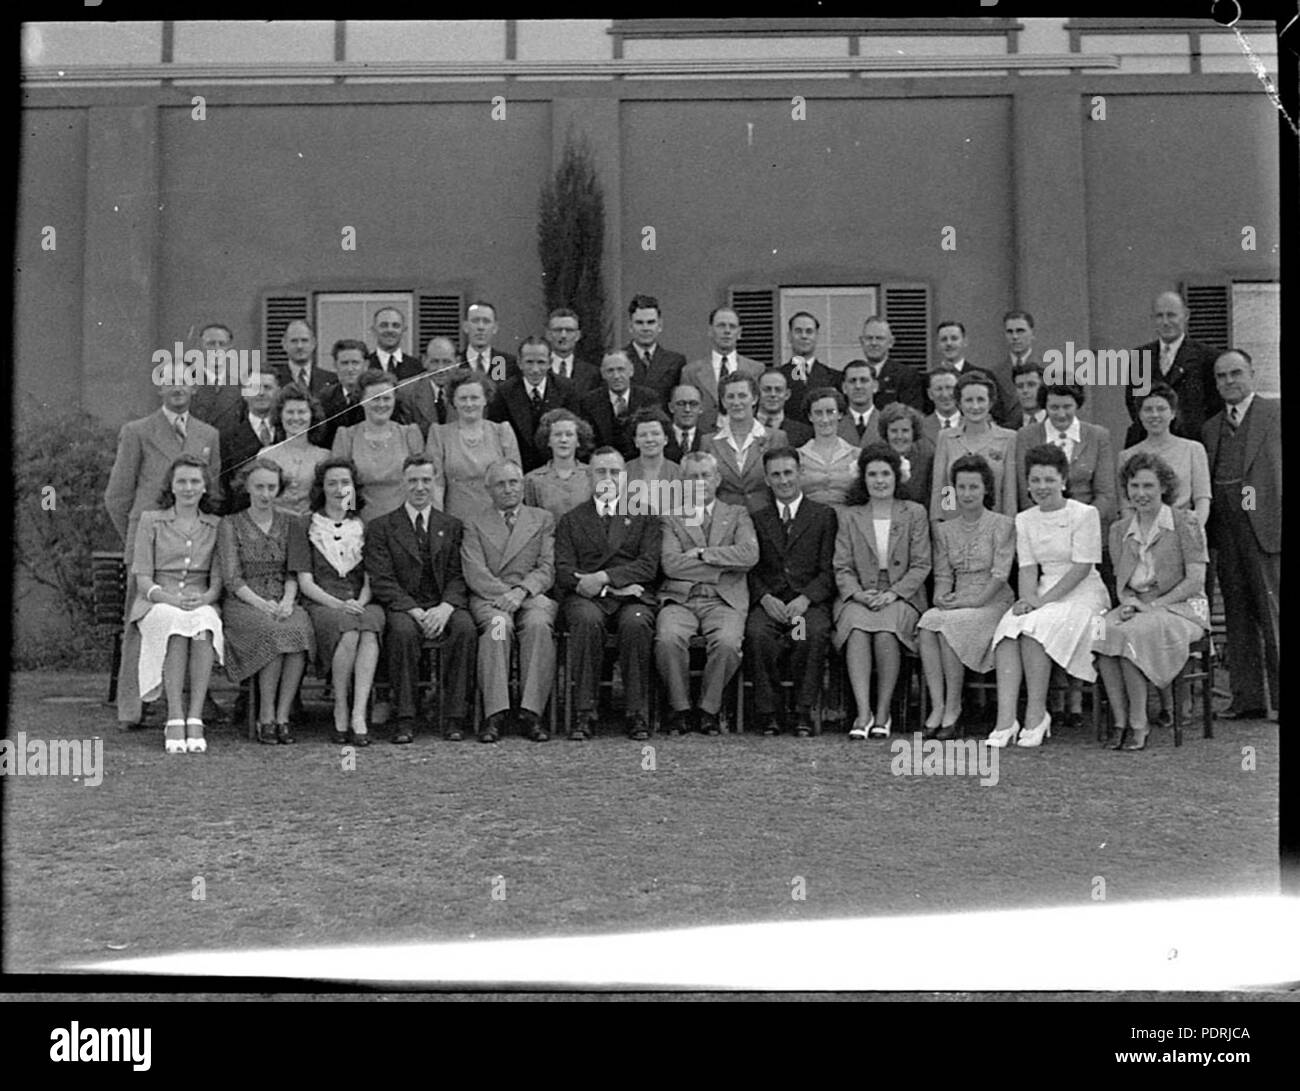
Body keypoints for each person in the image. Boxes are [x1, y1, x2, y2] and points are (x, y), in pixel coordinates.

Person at [104, 375, 223, 727]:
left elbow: (212, 489)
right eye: (170, 382)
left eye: (184, 383)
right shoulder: (138, 431)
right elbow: (118, 495)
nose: (177, 388)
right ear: (159, 388)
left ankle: (194, 702)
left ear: (194, 389)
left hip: (192, 541)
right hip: (149, 540)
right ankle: (132, 707)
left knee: (193, 622)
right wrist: (137, 535)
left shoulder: (208, 435)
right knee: (138, 625)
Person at [987, 444, 1111, 748]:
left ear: (1063, 481)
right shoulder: (1024, 519)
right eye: (1036, 480)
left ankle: (1036, 714)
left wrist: (1041, 604)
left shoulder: (1085, 514)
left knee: (1034, 629)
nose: (1042, 487)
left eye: (1049, 480)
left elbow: (1082, 568)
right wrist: (1029, 599)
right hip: (1043, 592)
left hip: (1084, 595)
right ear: (1028, 483)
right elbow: (1028, 568)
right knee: (1007, 629)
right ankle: (1005, 721)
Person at [1094, 452, 1210, 750]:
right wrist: (1130, 602)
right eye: (1134, 486)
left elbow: (1195, 581)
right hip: (1139, 605)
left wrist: (1156, 605)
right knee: (1102, 631)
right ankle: (1119, 722)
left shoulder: (1186, 522)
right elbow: (1122, 583)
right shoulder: (1119, 530)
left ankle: (1138, 722)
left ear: (1163, 488)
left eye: (1148, 486)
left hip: (1183, 607)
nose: (1140, 494)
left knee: (1131, 634)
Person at [365, 456, 477, 744]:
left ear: (435, 482)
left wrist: (445, 607)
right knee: (401, 632)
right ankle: (405, 717)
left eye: (426, 480)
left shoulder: (452, 526)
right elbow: (382, 579)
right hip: (405, 605)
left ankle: (454, 716)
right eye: (413, 481)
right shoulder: (382, 527)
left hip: (444, 604)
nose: (419, 487)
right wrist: (414, 610)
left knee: (465, 628)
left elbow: (459, 573)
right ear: (403, 483)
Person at [554, 448, 661, 740]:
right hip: (587, 597)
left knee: (637, 623)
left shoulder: (645, 515)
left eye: (615, 472)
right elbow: (563, 569)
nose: (608, 478)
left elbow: (649, 565)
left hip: (632, 597)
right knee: (586, 621)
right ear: (589, 476)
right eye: (601, 471)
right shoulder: (572, 520)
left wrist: (606, 577)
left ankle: (636, 713)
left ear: (625, 477)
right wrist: (606, 587)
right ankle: (584, 712)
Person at [656, 452, 758, 736]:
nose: (699, 482)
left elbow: (749, 555)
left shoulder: (737, 513)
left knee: (726, 643)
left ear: (717, 479)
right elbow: (671, 563)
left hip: (724, 600)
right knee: (667, 639)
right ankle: (680, 708)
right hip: (681, 599)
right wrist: (722, 568)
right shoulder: (671, 517)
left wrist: (703, 553)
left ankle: (708, 709)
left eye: (705, 476)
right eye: (692, 477)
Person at [833, 444, 931, 739]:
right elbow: (842, 566)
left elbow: (921, 563)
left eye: (885, 474)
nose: (879, 480)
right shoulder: (850, 516)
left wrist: (894, 594)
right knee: (857, 629)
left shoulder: (914, 512)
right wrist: (858, 594)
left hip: (902, 595)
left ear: (896, 476)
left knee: (887, 631)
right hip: (860, 594)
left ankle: (884, 711)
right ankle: (863, 713)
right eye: (872, 474)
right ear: (862, 478)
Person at [1202, 350, 1280, 721]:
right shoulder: (1211, 426)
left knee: (1273, 615)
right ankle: (1246, 699)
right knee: (1237, 616)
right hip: (1227, 532)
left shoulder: (1275, 414)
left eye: (1235, 373)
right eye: (1221, 376)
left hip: (1266, 529)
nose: (1229, 381)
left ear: (1252, 373)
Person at [129, 455, 225, 753]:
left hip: (199, 601)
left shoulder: (215, 525)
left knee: (203, 626)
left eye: (195, 481)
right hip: (157, 600)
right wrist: (169, 598)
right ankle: (174, 715)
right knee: (175, 623)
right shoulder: (152, 520)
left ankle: (195, 714)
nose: (188, 487)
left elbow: (218, 581)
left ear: (205, 487)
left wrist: (205, 598)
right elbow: (143, 578)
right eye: (181, 481)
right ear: (171, 486)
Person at [917, 454, 1015, 739]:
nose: (967, 493)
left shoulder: (1002, 524)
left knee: (950, 626)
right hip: (959, 598)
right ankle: (937, 706)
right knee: (928, 622)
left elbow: (1000, 574)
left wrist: (972, 601)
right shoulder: (945, 529)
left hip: (992, 601)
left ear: (986, 489)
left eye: (974, 487)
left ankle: (954, 707)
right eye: (962, 487)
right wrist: (940, 597)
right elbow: (944, 573)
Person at [217, 458, 315, 743]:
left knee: (298, 629)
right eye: (259, 487)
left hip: (282, 598)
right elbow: (232, 579)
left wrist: (287, 600)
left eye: (271, 487)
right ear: (247, 487)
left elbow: (293, 571)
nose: (265, 494)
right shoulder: (230, 524)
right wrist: (261, 604)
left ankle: (283, 715)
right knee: (272, 633)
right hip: (245, 602)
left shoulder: (291, 523)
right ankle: (265, 713)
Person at [289, 458, 385, 745]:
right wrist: (339, 604)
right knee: (349, 629)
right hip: (322, 603)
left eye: (345, 482)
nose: (338, 488)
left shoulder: (364, 527)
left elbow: (370, 580)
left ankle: (358, 712)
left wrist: (359, 601)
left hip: (360, 600)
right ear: (322, 488)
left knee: (369, 625)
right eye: (331, 483)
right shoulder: (304, 525)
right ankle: (340, 706)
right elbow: (305, 582)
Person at [461, 460, 558, 743]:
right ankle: (495, 713)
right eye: (500, 484)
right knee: (498, 626)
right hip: (491, 597)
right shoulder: (474, 521)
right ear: (488, 489)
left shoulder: (542, 519)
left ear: (523, 485)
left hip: (529, 595)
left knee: (539, 625)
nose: (508, 489)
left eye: (513, 482)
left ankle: (532, 712)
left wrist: (521, 592)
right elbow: (474, 569)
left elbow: (546, 567)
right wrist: (504, 595)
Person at [744, 448, 836, 737]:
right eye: (776, 475)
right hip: (771, 604)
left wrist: (806, 598)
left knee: (805, 635)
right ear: (768, 481)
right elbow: (751, 568)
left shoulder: (822, 516)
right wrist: (764, 598)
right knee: (759, 636)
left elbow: (830, 568)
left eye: (788, 472)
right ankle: (769, 712)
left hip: (804, 605)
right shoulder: (758, 518)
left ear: (800, 474)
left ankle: (802, 711)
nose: (783, 480)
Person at [1124, 291, 1222, 448]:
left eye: (1171, 315)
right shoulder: (1139, 356)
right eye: (1159, 316)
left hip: (1193, 444)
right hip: (1148, 443)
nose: (1165, 322)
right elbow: (1133, 403)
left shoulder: (1208, 357)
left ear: (1186, 315)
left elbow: (1215, 407)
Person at [1014, 383, 1116, 526]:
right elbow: (1025, 492)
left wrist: (1082, 523)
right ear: (1045, 407)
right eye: (1054, 407)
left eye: (1067, 407)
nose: (1061, 414)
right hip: (1041, 525)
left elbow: (1105, 493)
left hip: (1087, 524)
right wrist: (1050, 524)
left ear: (1077, 405)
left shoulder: (1098, 436)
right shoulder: (1026, 436)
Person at [426, 369, 521, 522]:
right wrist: (438, 524)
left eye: (474, 398)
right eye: (463, 398)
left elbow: (515, 483)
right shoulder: (439, 434)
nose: (469, 404)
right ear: (454, 401)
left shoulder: (502, 432)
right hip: (454, 519)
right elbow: (436, 485)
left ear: (485, 400)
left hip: (496, 520)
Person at [332, 369, 426, 522]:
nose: (381, 404)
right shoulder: (347, 436)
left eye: (387, 398)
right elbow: (342, 486)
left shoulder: (409, 434)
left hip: (404, 522)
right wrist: (349, 523)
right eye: (375, 399)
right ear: (362, 400)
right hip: (361, 522)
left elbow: (421, 482)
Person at [1117, 384, 1211, 528]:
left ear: (1173, 413)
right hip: (1143, 533)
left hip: (1184, 527)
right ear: (1140, 415)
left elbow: (1202, 498)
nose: (1155, 415)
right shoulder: (1127, 456)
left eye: (1161, 409)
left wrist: (1195, 529)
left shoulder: (1193, 449)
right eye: (1148, 410)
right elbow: (1127, 506)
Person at [931, 372, 1018, 521]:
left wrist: (1007, 529)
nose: (975, 406)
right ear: (959, 403)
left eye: (981, 400)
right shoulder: (946, 437)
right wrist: (945, 524)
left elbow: (1009, 493)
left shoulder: (1008, 438)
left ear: (990, 403)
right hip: (954, 528)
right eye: (969, 400)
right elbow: (944, 488)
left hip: (994, 527)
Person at [701, 372, 787, 513]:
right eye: (730, 397)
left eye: (742, 396)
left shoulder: (777, 438)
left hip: (766, 518)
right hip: (724, 520)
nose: (736, 402)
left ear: (754, 399)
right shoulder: (708, 442)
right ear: (723, 401)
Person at [488, 335, 577, 472]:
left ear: (550, 362)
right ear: (519, 362)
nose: (535, 369)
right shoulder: (504, 392)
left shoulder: (566, 389)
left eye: (541, 362)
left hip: (556, 470)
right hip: (518, 470)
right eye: (529, 362)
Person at [679, 306, 763, 433]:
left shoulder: (756, 370)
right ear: (710, 331)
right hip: (704, 439)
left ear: (739, 333)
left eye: (732, 326)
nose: (727, 331)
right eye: (721, 326)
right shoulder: (691, 372)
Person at [932, 319, 1016, 427]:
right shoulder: (928, 379)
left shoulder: (984, 376)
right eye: (944, 339)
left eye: (954, 338)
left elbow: (998, 413)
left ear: (965, 341)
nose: (949, 343)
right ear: (937, 345)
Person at [262, 382, 329, 518]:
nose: (296, 418)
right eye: (290, 412)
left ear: (312, 416)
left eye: (302, 412)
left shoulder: (325, 456)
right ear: (280, 416)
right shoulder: (266, 455)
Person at [219, 369, 281, 513]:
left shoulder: (289, 432)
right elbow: (224, 487)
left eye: (267, 387)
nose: (261, 393)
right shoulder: (227, 438)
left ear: (278, 392)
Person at [578, 349, 658, 457]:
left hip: (638, 464)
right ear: (603, 374)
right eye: (610, 371)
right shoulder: (589, 402)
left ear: (631, 371)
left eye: (621, 370)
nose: (616, 376)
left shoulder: (648, 398)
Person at [522, 408, 594, 519]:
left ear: (578, 441)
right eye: (557, 435)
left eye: (569, 435)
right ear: (548, 441)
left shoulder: (591, 474)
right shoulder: (532, 480)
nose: (563, 440)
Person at [797, 387, 859, 507]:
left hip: (847, 519)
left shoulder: (856, 454)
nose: (825, 419)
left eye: (830, 412)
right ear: (810, 416)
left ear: (840, 414)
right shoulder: (798, 456)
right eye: (818, 413)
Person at [776, 311, 839, 424]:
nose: (804, 336)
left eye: (809, 331)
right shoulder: (778, 377)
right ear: (789, 336)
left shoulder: (834, 377)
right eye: (798, 331)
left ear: (816, 336)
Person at [624, 293, 687, 404]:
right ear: (630, 326)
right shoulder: (618, 360)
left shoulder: (676, 361)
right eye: (639, 323)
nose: (645, 328)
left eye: (650, 322)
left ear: (660, 325)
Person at [188, 322, 247, 434]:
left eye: (222, 344)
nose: (216, 349)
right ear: (200, 347)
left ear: (230, 349)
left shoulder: (240, 387)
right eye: (210, 344)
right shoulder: (187, 384)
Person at [623, 407, 683, 512]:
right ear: (635, 441)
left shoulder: (680, 473)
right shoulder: (624, 472)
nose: (649, 439)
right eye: (643, 435)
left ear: (666, 439)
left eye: (655, 434)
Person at [860, 316, 924, 411]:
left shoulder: (907, 376)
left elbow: (912, 415)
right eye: (869, 338)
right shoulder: (853, 375)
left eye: (879, 338)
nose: (873, 343)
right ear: (861, 342)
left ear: (891, 342)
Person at [878, 401, 934, 507]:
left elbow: (941, 492)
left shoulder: (928, 456)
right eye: (894, 431)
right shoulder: (876, 456)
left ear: (914, 432)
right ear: (886, 433)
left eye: (905, 431)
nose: (899, 436)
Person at [317, 339, 371, 450]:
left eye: (355, 363)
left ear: (365, 365)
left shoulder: (376, 396)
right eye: (344, 363)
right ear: (335, 366)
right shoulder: (324, 398)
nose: (350, 369)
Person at [398, 336, 457, 435]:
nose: (440, 369)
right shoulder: (405, 392)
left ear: (457, 362)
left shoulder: (468, 389)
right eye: (434, 362)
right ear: (424, 361)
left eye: (447, 362)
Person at [459, 299, 517, 381]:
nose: (480, 327)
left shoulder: (510, 364)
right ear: (465, 326)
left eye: (486, 321)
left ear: (495, 327)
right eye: (475, 321)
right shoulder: (455, 363)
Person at [546, 308, 600, 395]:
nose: (563, 335)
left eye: (569, 330)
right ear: (548, 335)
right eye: (558, 330)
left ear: (578, 335)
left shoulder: (592, 373)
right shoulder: (540, 369)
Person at [274, 319, 331, 398]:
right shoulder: (274, 379)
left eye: (304, 340)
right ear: (284, 344)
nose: (299, 346)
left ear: (314, 343)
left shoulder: (332, 381)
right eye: (294, 341)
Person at [756, 369, 813, 446]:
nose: (773, 394)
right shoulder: (742, 427)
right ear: (756, 393)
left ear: (787, 395)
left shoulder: (804, 433)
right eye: (767, 389)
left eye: (778, 390)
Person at [365, 305, 422, 379]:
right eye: (384, 325)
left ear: (404, 330)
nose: (390, 330)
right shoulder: (365, 365)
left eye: (396, 326)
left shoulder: (417, 366)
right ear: (373, 330)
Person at [837, 361, 882, 447]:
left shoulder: (887, 422)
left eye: (864, 380)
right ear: (844, 388)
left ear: (875, 386)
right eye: (852, 381)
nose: (858, 386)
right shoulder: (835, 425)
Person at [663, 384, 706, 464]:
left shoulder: (708, 441)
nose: (687, 409)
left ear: (701, 408)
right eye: (681, 403)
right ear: (671, 407)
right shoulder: (660, 440)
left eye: (693, 404)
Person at [921, 364, 962, 443]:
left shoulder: (974, 425)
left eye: (949, 388)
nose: (945, 395)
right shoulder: (920, 428)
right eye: (938, 389)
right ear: (930, 394)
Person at [1007, 359, 1047, 431]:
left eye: (1031, 385)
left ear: (1043, 387)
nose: (1025, 390)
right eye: (1020, 386)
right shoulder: (1008, 428)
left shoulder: (1058, 422)